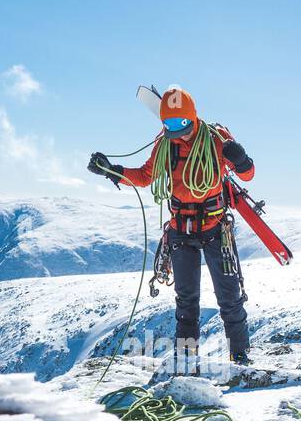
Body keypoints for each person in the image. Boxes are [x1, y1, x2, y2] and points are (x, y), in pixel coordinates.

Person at [88, 88, 255, 371]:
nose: (177, 132)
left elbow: (247, 175)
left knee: (229, 297)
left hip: (215, 227)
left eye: (182, 125)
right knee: (186, 301)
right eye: (169, 126)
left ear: (193, 117)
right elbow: (144, 176)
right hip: (181, 229)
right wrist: (112, 170)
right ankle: (186, 360)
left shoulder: (217, 139)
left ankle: (239, 357)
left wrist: (241, 160)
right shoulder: (165, 144)